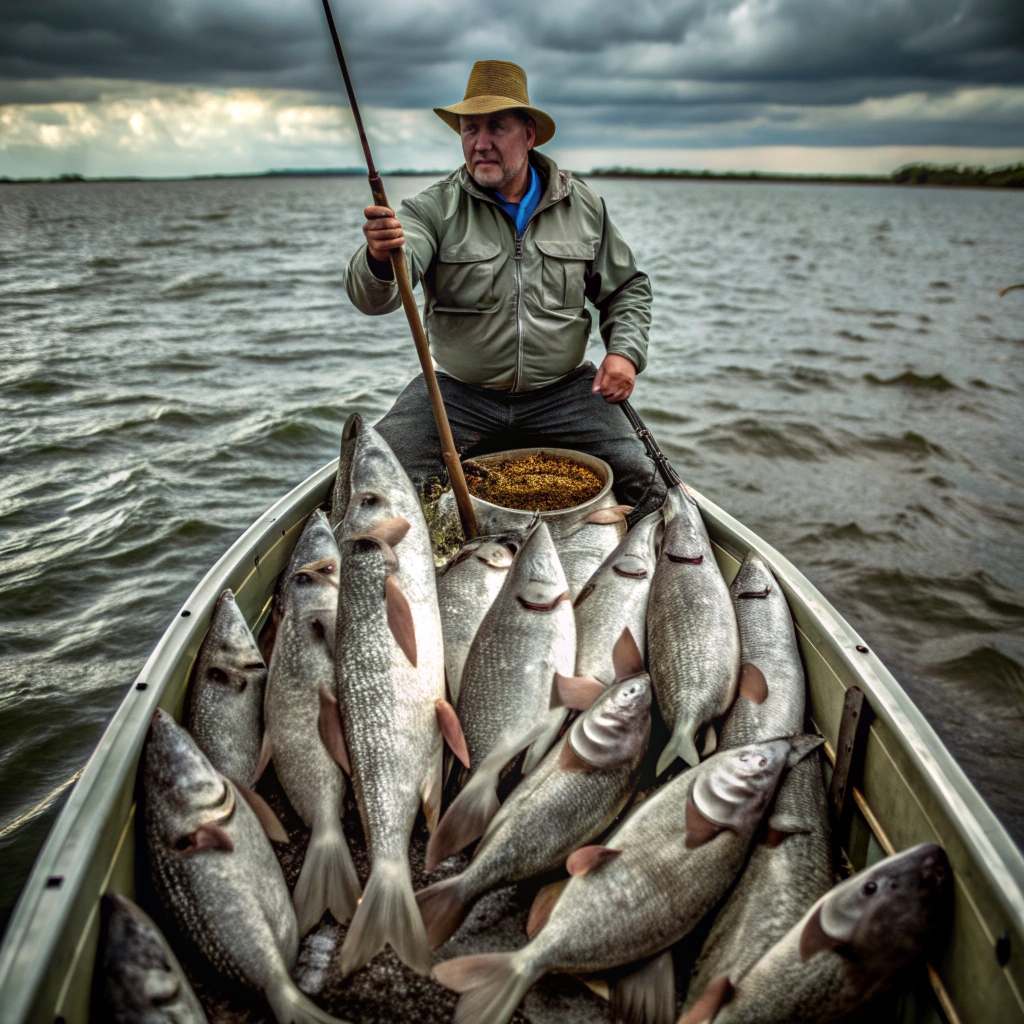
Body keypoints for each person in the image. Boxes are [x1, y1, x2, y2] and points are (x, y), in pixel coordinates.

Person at [344, 59, 664, 517]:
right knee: (370, 482)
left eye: (496, 127)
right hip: (456, 394)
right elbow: (375, 296)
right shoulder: (432, 209)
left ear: (529, 135)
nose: (481, 144)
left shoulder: (584, 205)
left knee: (650, 486)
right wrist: (379, 256)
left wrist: (625, 354)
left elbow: (627, 289)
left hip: (565, 394)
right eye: (470, 129)